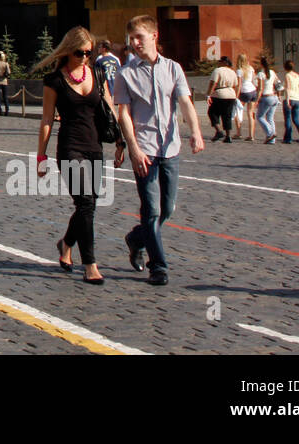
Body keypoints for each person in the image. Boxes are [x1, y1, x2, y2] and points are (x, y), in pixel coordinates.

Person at [113, 15, 203, 286]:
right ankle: (158, 266)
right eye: (132, 39)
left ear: (154, 36)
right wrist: (133, 148)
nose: (135, 43)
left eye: (139, 37)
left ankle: (136, 238)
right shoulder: (125, 73)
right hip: (145, 150)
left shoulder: (173, 68)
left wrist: (195, 131)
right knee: (151, 210)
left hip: (170, 148)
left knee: (167, 209)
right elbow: (124, 114)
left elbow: (185, 103)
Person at [34, 26, 111, 285]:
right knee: (86, 203)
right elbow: (47, 120)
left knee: (88, 204)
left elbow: (109, 106)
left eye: (89, 52)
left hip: (95, 147)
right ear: (68, 51)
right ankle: (90, 264)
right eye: (80, 52)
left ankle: (66, 243)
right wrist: (41, 157)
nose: (85, 57)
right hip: (69, 148)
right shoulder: (54, 81)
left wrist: (122, 142)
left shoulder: (97, 73)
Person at [205, 56, 239, 143]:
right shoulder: (232, 72)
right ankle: (228, 136)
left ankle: (219, 131)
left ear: (223, 62)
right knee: (227, 115)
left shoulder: (218, 70)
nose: (218, 62)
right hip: (231, 94)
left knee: (212, 112)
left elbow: (213, 82)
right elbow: (236, 84)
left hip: (219, 94)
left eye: (219, 61)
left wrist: (208, 94)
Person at [254, 56, 280, 143]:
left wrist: (257, 100)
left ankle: (270, 133)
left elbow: (260, 88)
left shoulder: (261, 74)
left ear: (261, 64)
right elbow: (278, 84)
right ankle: (272, 140)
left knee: (260, 117)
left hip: (266, 97)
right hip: (274, 96)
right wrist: (279, 95)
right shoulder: (272, 72)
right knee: (270, 117)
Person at [282, 60, 299, 143]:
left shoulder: (287, 75)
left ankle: (288, 138)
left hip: (290, 97)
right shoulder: (297, 75)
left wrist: (287, 100)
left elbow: (288, 88)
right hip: (297, 98)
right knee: (296, 119)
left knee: (288, 119)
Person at [235, 54, 257, 141]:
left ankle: (239, 133)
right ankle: (251, 135)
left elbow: (239, 84)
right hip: (253, 90)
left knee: (238, 111)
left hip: (244, 91)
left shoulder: (239, 71)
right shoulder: (250, 68)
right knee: (250, 114)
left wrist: (236, 96)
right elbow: (254, 80)